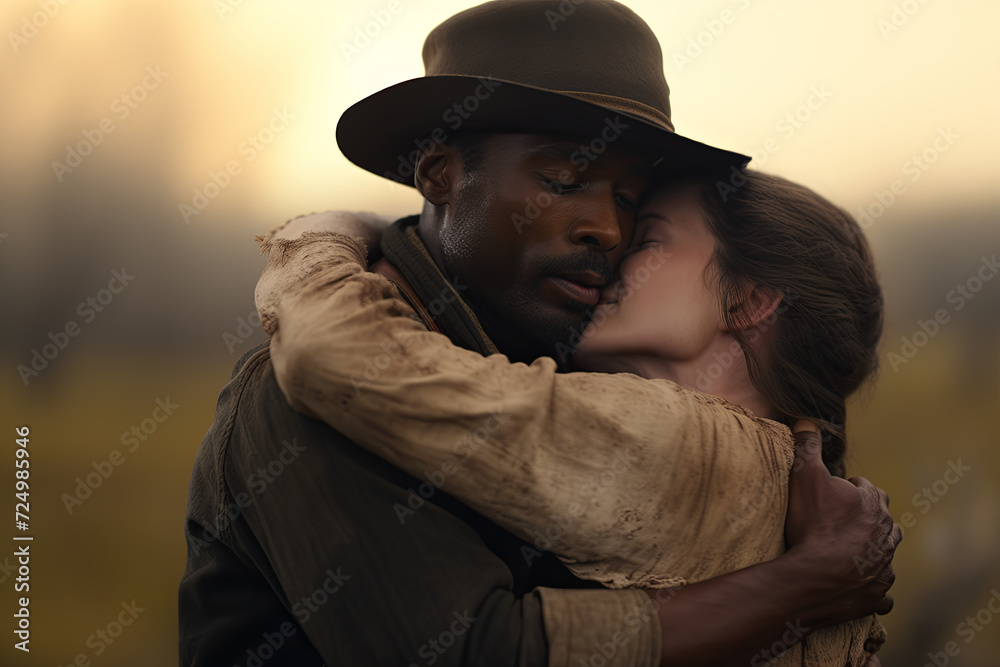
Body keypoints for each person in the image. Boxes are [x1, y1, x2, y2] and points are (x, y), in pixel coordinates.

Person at [179, 1, 898, 664]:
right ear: (439, 175)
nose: (607, 229)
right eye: (563, 179)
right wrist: (800, 588)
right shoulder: (302, 403)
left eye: (629, 200)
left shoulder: (587, 376)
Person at [253, 169, 893, 665]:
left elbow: (334, 354)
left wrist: (328, 234)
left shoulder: (680, 442)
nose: (612, 254)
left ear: (750, 301)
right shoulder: (785, 472)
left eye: (650, 239)